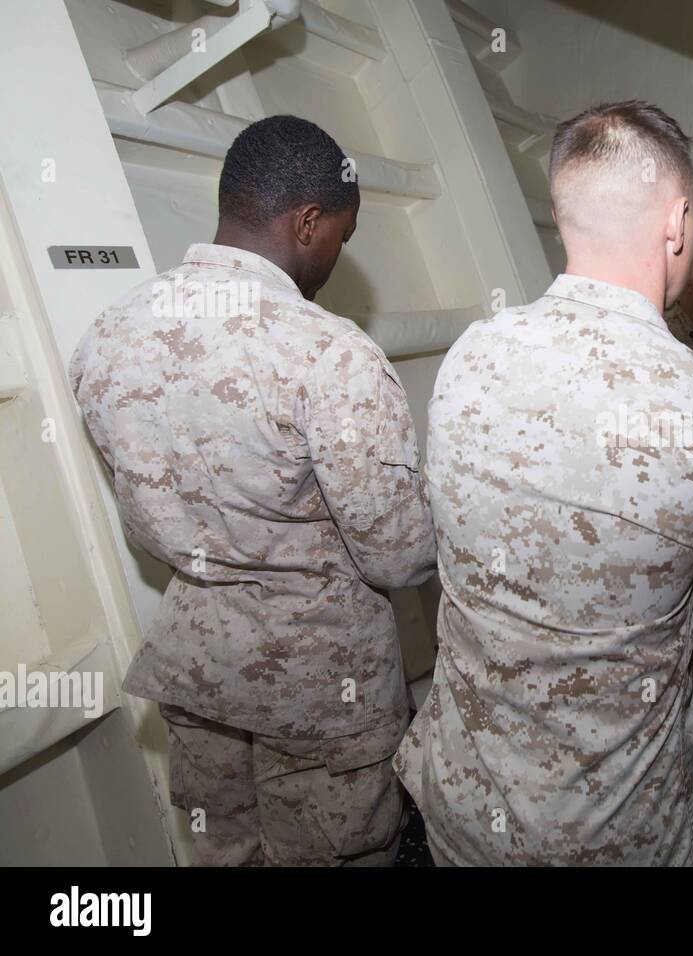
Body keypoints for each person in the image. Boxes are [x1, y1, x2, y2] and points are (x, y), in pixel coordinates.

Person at [394, 101, 693, 866]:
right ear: (679, 222)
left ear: (563, 217)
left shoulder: (471, 355)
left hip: (465, 802)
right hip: (617, 827)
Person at [69, 115, 437, 865]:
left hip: (199, 669)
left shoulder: (108, 333)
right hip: (321, 693)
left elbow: (149, 522)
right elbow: (397, 558)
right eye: (343, 231)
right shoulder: (332, 353)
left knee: (224, 853)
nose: (340, 252)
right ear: (308, 220)